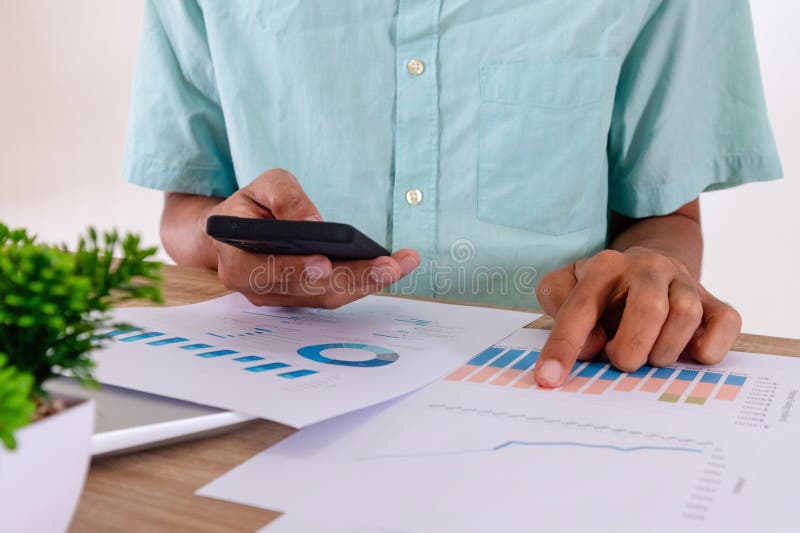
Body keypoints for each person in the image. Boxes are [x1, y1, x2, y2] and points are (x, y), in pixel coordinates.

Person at [123, 1, 782, 388]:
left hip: (554, 387)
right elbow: (185, 212)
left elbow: (665, 214)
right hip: (276, 388)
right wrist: (225, 239)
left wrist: (650, 268)